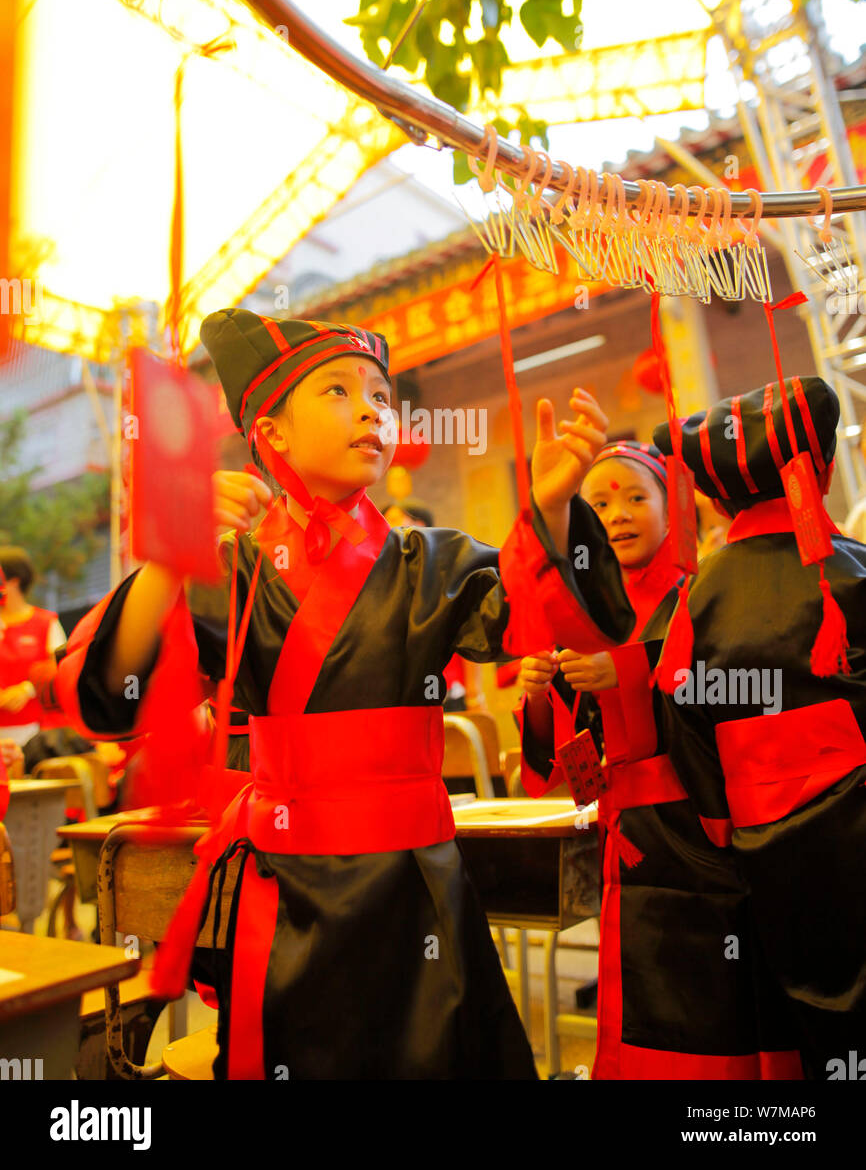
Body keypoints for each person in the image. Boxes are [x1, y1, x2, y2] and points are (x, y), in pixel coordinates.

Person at [50, 309, 628, 1080]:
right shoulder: (231, 571)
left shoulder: (435, 561)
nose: (372, 410)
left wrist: (552, 511)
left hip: (419, 887)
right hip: (287, 895)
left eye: (382, 396)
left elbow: (540, 628)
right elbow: (109, 701)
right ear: (272, 432)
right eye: (337, 390)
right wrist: (167, 560)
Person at [516, 437, 799, 1079]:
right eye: (600, 504)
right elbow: (557, 757)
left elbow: (736, 693)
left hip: (706, 829)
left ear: (674, 510)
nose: (617, 514)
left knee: (722, 999)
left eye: (635, 497)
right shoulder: (582, 615)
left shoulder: (706, 593)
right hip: (630, 836)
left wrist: (622, 670)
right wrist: (540, 694)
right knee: (645, 996)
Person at [653, 376, 866, 1081]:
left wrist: (725, 833)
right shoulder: (855, 574)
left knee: (806, 1028)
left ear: (716, 498)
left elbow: (686, 733)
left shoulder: (691, 604)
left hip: (761, 849)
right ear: (824, 469)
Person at [383, 498, 486, 711]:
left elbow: (468, 633)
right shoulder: (386, 579)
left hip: (447, 691)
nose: (386, 525)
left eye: (394, 518)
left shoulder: (445, 574)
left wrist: (475, 693)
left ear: (421, 526)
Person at [0, 547, 66, 748]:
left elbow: (61, 667)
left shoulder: (46, 622)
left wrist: (26, 690)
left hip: (37, 733)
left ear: (14, 581)